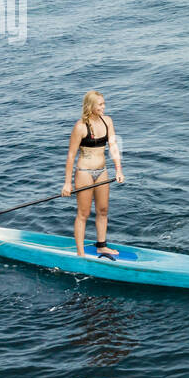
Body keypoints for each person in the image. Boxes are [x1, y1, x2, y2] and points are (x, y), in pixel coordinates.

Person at [61, 90, 125, 257]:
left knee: (103, 210)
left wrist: (118, 169)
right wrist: (67, 183)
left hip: (102, 171)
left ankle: (101, 246)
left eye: (104, 104)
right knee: (84, 213)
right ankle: (80, 253)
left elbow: (113, 146)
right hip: (84, 172)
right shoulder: (81, 126)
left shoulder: (107, 121)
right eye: (100, 104)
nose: (103, 107)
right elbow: (70, 155)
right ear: (90, 106)